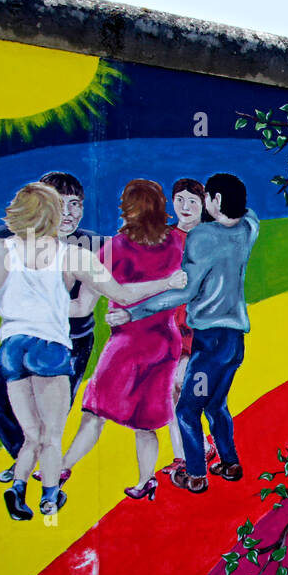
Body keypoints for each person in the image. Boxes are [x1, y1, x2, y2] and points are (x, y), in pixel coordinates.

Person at [0, 183, 186, 520]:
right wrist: (166, 284)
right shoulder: (75, 255)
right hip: (64, 347)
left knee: (42, 430)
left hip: (14, 347)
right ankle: (50, 497)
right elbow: (120, 295)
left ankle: (20, 486)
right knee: (56, 434)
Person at [107, 173, 258, 494]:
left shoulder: (202, 236)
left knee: (187, 410)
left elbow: (182, 292)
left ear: (214, 202)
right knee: (216, 405)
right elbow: (247, 212)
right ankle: (230, 463)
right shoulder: (249, 229)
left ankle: (196, 474)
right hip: (235, 341)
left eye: (206, 198)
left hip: (210, 339)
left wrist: (133, 311)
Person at [61, 180, 187, 500]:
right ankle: (146, 480)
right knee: (146, 424)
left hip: (127, 343)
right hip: (165, 342)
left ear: (127, 210)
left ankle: (64, 465)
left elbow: (84, 305)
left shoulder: (115, 248)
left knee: (95, 411)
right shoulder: (178, 245)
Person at [0, 171, 102, 483]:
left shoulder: (87, 248)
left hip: (69, 342)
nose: (69, 212)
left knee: (51, 417)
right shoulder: (8, 242)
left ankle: (47, 470)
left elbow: (83, 308)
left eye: (76, 204)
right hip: (25, 340)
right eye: (60, 204)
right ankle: (26, 457)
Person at [159, 178, 216, 479]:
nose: (185, 206)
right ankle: (186, 453)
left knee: (196, 389)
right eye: (179, 199)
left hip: (202, 326)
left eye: (192, 201)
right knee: (172, 388)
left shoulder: (212, 237)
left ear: (203, 205)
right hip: (170, 325)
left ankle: (208, 446)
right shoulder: (166, 237)